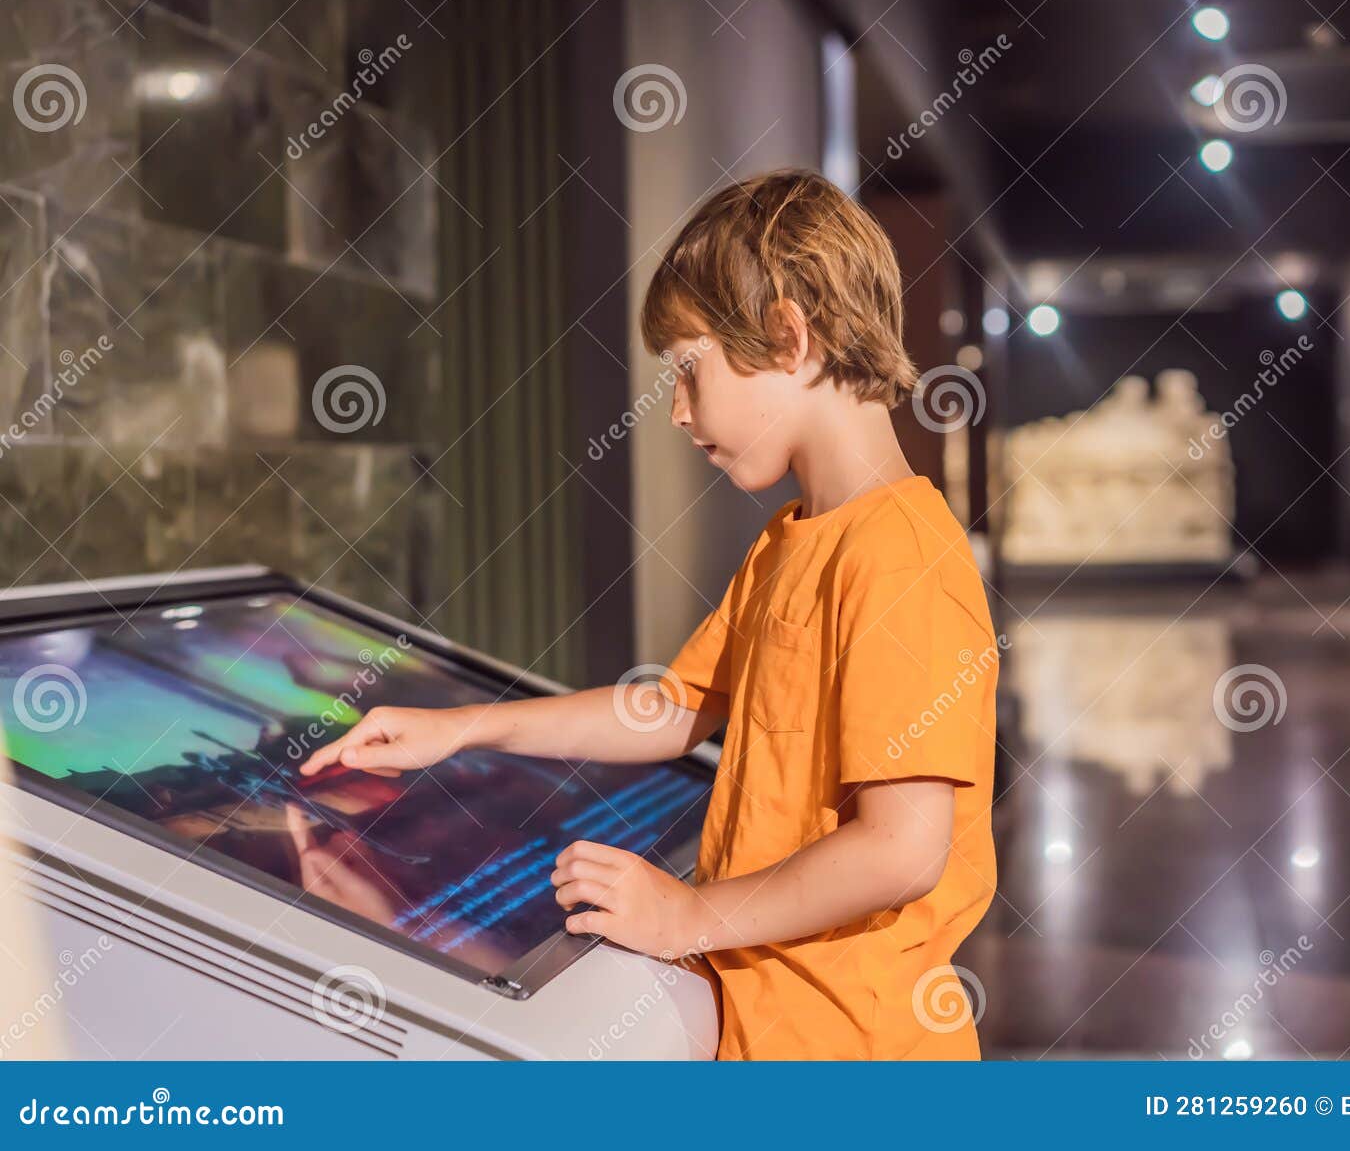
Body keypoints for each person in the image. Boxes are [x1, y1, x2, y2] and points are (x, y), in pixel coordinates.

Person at [302, 169, 998, 1059]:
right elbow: (671, 708)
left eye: (687, 368)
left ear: (789, 336)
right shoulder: (795, 539)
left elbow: (902, 849)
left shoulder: (899, 555)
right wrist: (462, 726)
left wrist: (690, 914)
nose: (674, 409)